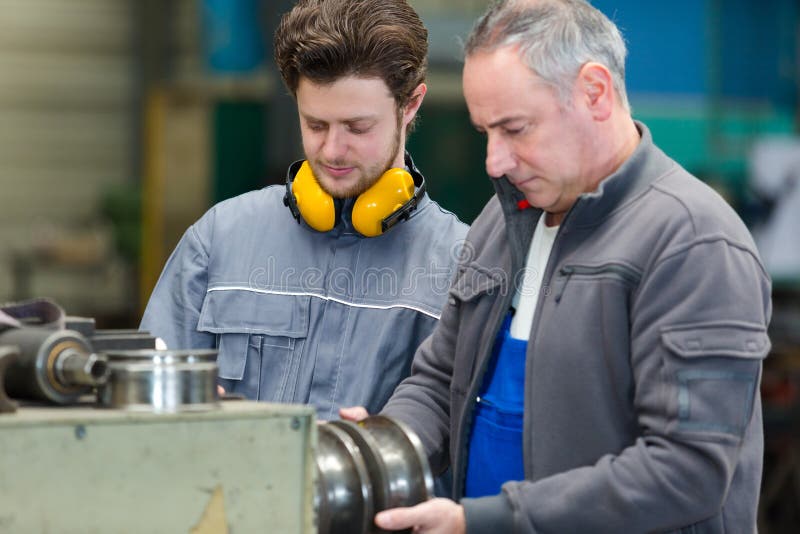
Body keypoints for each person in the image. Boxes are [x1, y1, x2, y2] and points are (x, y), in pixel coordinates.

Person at [341, 0, 772, 532]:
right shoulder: (503, 222)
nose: (494, 162)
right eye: (486, 134)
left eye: (516, 129)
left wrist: (488, 521)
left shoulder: (692, 243)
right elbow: (440, 379)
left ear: (594, 92)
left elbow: (685, 472)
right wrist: (383, 451)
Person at [140, 0, 468, 420]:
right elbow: (145, 407)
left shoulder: (459, 266)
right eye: (315, 125)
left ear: (410, 106)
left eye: (357, 127)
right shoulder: (219, 240)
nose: (331, 150)